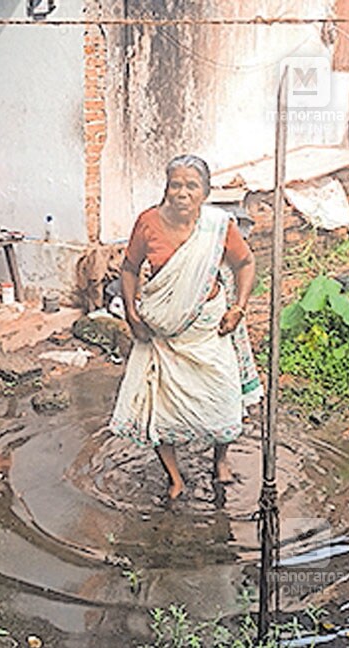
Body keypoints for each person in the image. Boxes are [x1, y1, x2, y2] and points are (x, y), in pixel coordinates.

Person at [108, 154, 264, 501]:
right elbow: (130, 269)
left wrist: (239, 307)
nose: (181, 192)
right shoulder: (147, 222)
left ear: (205, 192)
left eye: (191, 186)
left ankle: (220, 461)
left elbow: (245, 263)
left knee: (224, 398)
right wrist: (132, 312)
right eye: (175, 184)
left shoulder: (218, 225)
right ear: (166, 188)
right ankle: (175, 479)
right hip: (163, 333)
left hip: (210, 330)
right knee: (161, 407)